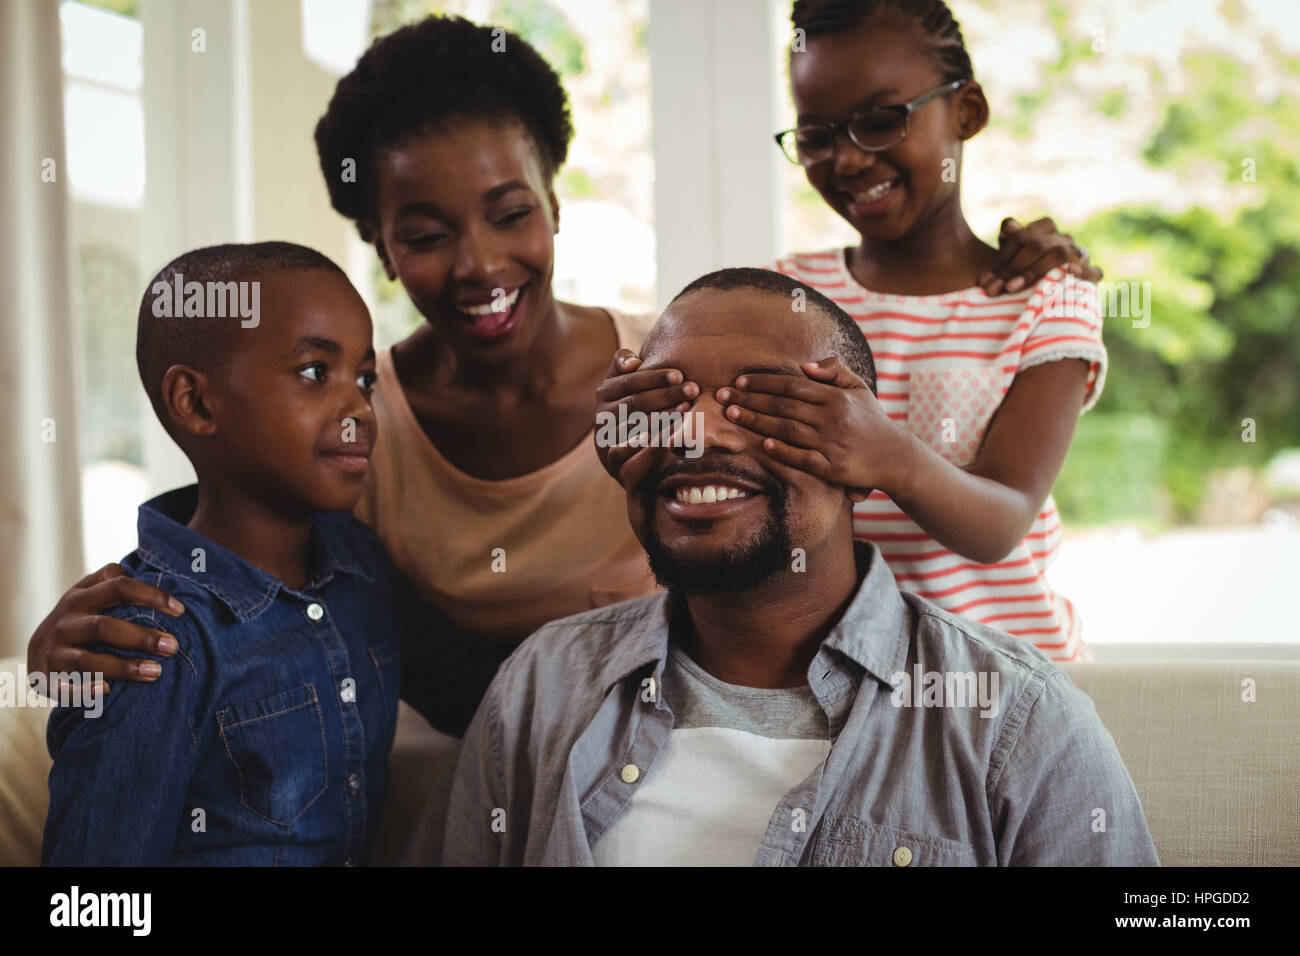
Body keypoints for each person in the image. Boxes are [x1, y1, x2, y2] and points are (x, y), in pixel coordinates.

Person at [26, 15, 1096, 689]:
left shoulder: (676, 368)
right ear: (382, 249)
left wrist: (1026, 253)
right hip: (508, 735)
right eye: (426, 233)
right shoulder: (359, 426)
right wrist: (113, 612)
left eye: (508, 213)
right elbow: (254, 547)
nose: (479, 263)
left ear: (551, 204)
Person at [419, 268, 1157, 867]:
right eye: (664, 402)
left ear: (864, 455)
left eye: (762, 404)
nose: (696, 432)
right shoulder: (542, 686)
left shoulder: (1010, 720)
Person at [598, 0, 1105, 661]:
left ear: (966, 112)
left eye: (880, 121)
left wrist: (885, 453)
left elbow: (1002, 521)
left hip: (995, 681)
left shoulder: (1043, 298)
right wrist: (637, 432)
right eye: (817, 135)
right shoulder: (782, 297)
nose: (850, 160)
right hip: (827, 674)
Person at [42, 243, 505, 866]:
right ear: (197, 404)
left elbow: (483, 692)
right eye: (315, 372)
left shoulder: (360, 567)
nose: (359, 412)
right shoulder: (151, 641)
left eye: (364, 380)